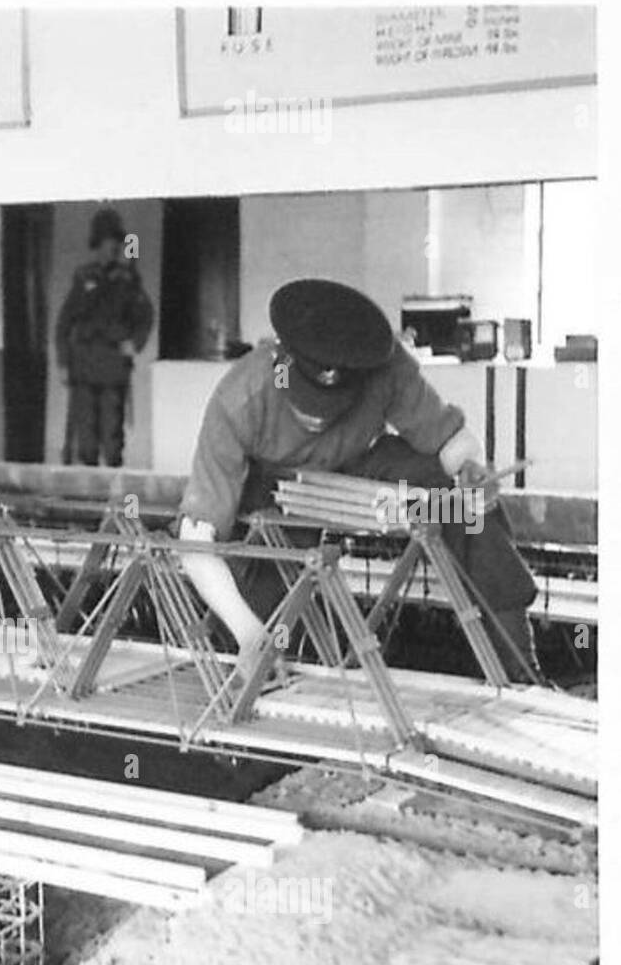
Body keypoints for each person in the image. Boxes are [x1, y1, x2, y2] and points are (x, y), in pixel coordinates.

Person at [177, 277, 539, 679]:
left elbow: (449, 439)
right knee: (269, 591)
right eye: (306, 410)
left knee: (459, 499)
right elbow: (195, 538)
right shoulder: (240, 398)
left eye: (328, 410)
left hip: (357, 460)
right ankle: (268, 656)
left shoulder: (386, 368)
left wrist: (471, 468)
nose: (316, 419)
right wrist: (248, 633)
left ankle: (518, 663)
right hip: (275, 487)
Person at [55, 207, 155, 468]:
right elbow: (64, 324)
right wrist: (64, 364)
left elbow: (144, 316)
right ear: (98, 245)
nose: (112, 247)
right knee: (85, 440)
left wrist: (133, 344)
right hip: (84, 365)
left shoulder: (128, 280)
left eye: (116, 242)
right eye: (107, 241)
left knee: (112, 440)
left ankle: (114, 500)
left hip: (113, 365)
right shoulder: (83, 277)